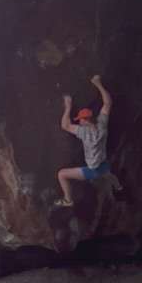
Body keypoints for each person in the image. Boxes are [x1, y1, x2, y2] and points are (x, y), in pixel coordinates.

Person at [55, 73, 112, 207]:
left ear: (85, 121)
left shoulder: (83, 132)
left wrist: (68, 107)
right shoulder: (102, 126)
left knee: (61, 174)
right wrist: (98, 84)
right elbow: (108, 103)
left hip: (93, 171)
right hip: (104, 166)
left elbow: (65, 125)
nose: (79, 122)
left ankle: (68, 200)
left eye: (80, 120)